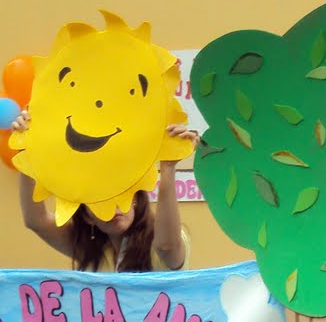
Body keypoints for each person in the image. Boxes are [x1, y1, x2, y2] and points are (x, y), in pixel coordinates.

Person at [13, 110, 193, 271]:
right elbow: (35, 221)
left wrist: (168, 167)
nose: (114, 208)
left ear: (136, 200)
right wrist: (27, 150)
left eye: (120, 197)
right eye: (100, 201)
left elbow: (167, 246)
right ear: (87, 216)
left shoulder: (165, 238)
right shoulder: (89, 250)